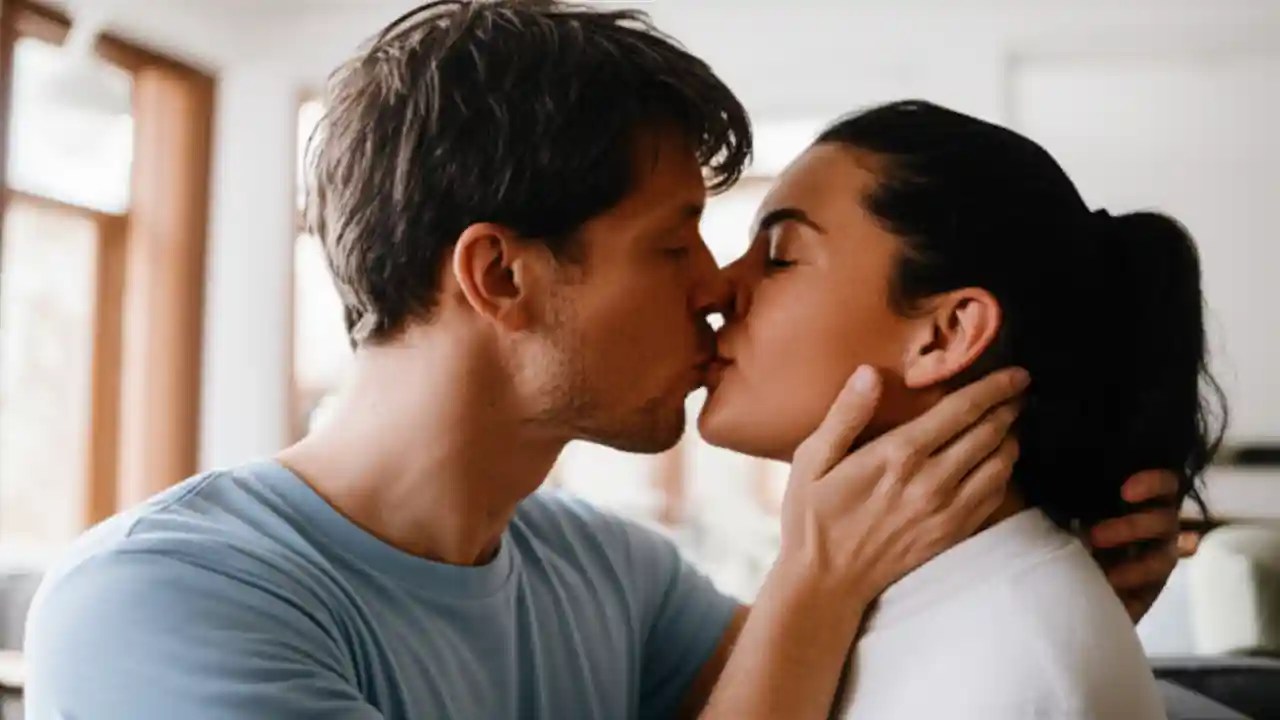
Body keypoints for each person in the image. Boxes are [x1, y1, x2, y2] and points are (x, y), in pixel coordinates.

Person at [24, 3, 1185, 719]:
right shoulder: (163, 604)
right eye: (673, 244)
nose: (714, 287)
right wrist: (810, 577)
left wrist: (1012, 605)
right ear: (501, 275)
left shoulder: (608, 576)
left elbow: (842, 687)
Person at [699, 99, 1226, 719]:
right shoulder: (880, 608)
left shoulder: (1014, 668)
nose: (717, 288)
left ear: (946, 334)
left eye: (781, 255)